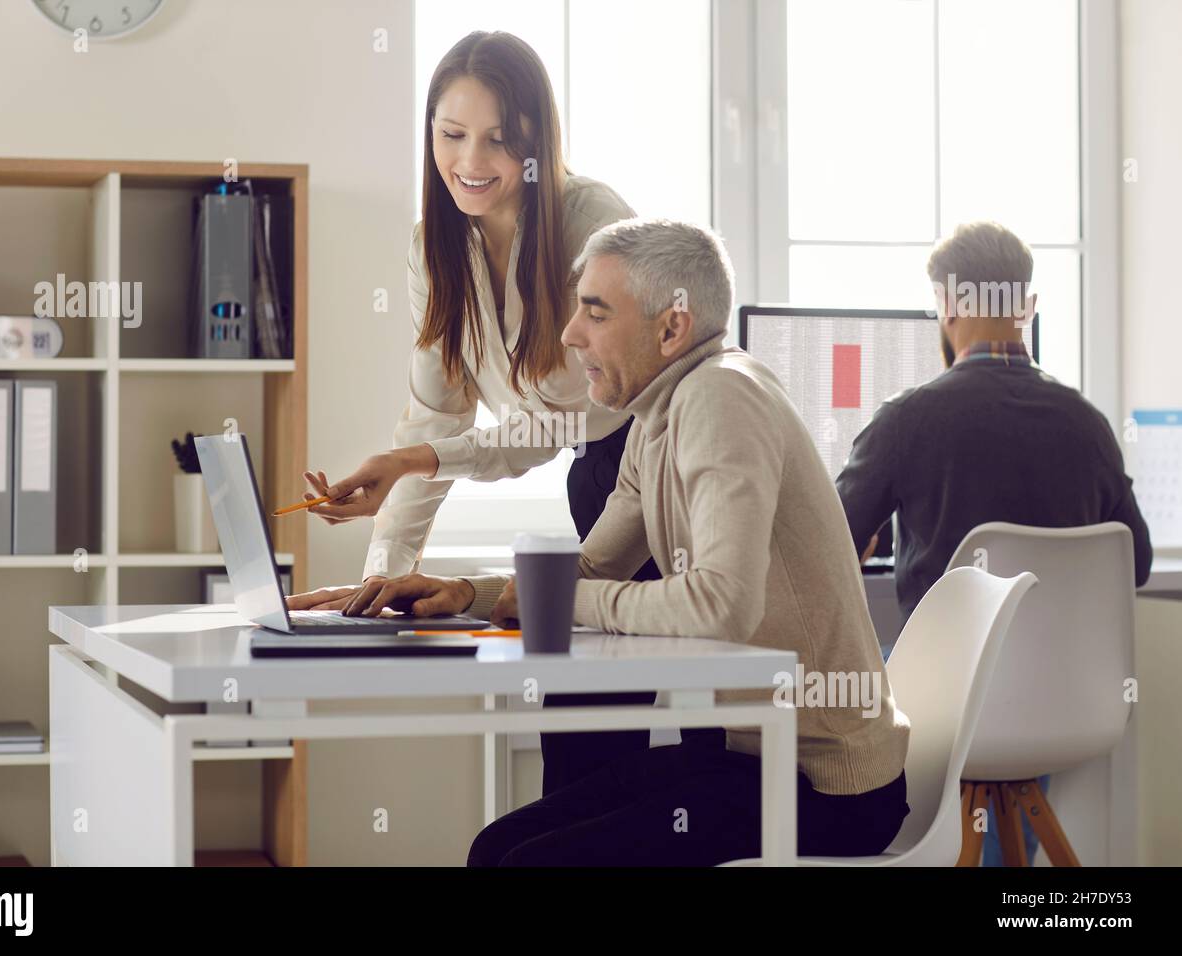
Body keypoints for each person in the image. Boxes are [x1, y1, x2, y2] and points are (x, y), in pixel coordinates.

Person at [339, 219, 912, 866]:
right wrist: (468, 593)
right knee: (497, 846)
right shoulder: (657, 414)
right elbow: (590, 565)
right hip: (746, 755)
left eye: (595, 312)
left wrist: (552, 601)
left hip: (824, 786)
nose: (568, 334)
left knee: (528, 861)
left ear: (671, 327)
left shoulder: (722, 398)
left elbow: (722, 605)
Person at [285, 31, 663, 797]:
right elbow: (435, 417)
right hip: (594, 480)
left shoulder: (595, 229)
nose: (470, 161)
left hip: (660, 469)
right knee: (579, 725)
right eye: (451, 135)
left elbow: (566, 420)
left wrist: (414, 464)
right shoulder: (438, 248)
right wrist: (379, 589)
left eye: (497, 139)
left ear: (534, 140)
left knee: (641, 723)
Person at [835, 220, 1153, 866]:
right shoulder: (1088, 425)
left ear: (948, 307)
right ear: (1027, 308)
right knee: (1007, 759)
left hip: (952, 705)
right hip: (1069, 699)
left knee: (854, 689)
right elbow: (1137, 564)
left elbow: (831, 546)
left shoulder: (907, 419)